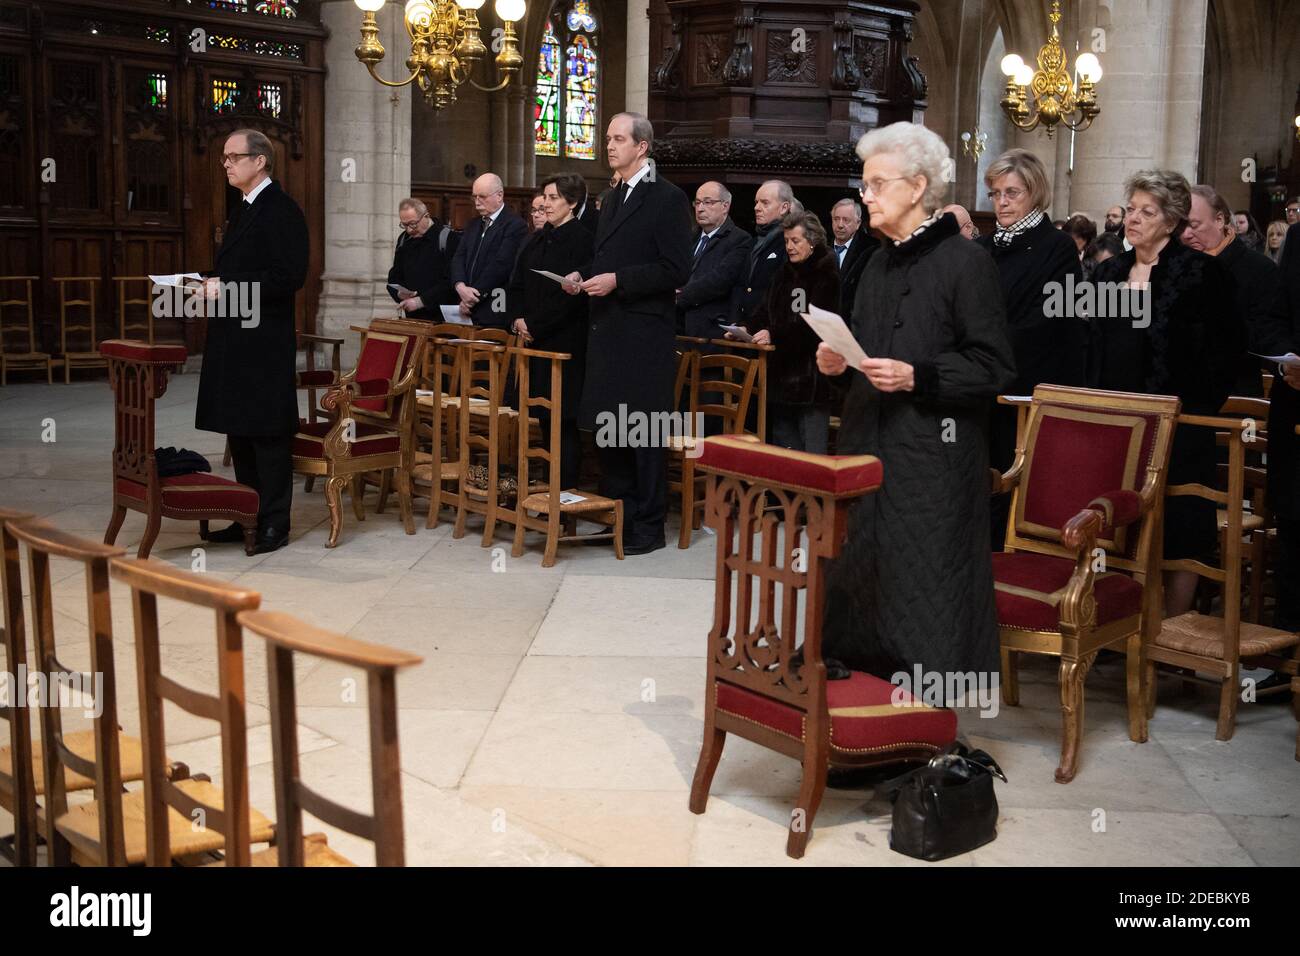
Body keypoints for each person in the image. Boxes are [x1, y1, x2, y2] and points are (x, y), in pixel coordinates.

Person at [816, 121, 1016, 683]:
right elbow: (868, 352)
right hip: (868, 449)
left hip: (933, 461)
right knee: (860, 575)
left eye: (877, 184)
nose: (866, 195)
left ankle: (925, 725)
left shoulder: (965, 263)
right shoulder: (877, 262)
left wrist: (917, 377)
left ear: (918, 186)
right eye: (866, 184)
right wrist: (838, 366)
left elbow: (993, 366)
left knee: (923, 585)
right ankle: (864, 722)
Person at [1090, 170, 1239, 616]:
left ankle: (1170, 630)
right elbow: (1091, 345)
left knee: (1179, 528)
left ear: (1172, 221)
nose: (1133, 219)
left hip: (1180, 427)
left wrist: (1187, 408)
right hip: (1118, 424)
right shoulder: (1109, 273)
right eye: (1131, 209)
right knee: (1118, 524)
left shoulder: (1202, 273)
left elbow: (1226, 352)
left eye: (1147, 212)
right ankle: (1119, 629)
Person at [563, 113, 692, 555]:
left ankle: (648, 526)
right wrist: (585, 275)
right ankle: (617, 515)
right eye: (607, 138)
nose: (609, 145)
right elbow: (608, 257)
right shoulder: (611, 197)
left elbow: (677, 269)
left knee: (642, 434)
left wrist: (619, 280)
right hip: (608, 331)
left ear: (642, 146)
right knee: (611, 432)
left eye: (618, 138)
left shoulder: (668, 198)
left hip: (642, 336)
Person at [196, 128, 308, 555]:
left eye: (232, 157)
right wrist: (203, 282)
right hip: (234, 339)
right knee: (240, 431)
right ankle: (248, 516)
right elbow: (240, 268)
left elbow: (287, 277)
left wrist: (225, 288)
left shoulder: (281, 210)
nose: (225, 163)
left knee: (267, 435)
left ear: (259, 161)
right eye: (224, 158)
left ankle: (273, 524)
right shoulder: (242, 209)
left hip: (262, 342)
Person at [978, 148, 1085, 548]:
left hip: (1023, 386)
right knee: (980, 483)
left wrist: (986, 347)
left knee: (1011, 488)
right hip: (982, 386)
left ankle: (1007, 574)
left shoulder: (1055, 248)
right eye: (996, 193)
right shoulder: (984, 247)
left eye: (1012, 193)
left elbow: (1051, 319)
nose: (1002, 202)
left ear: (1034, 194)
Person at [506, 174, 594, 491]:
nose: (546, 202)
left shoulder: (583, 240)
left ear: (572, 202)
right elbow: (516, 283)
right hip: (534, 341)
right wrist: (518, 318)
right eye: (545, 196)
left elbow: (571, 299)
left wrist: (535, 324)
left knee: (563, 421)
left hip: (564, 343)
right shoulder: (538, 238)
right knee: (543, 419)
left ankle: (564, 493)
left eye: (554, 197)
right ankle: (544, 491)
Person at [751, 210, 839, 453]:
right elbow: (764, 309)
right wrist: (745, 328)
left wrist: (774, 334)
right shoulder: (784, 271)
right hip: (781, 377)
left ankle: (812, 493)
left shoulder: (825, 272)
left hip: (810, 379)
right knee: (785, 454)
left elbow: (815, 325)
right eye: (786, 241)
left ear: (812, 241)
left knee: (812, 457)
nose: (789, 247)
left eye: (795, 241)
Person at [1182, 184, 1277, 397]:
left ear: (1220, 220)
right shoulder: (1174, 265)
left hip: (1233, 394)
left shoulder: (1260, 269)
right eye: (1180, 226)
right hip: (1175, 392)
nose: (1186, 234)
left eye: (1194, 225)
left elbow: (1267, 338)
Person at [1257, 221, 1300, 692]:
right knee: (1293, 529)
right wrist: (1288, 358)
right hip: (1294, 402)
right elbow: (1273, 317)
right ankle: (1287, 663)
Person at [450, 172, 528, 329]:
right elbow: (459, 256)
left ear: (499, 195)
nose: (477, 202)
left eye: (482, 197)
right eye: (474, 197)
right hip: (466, 303)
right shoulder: (473, 224)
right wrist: (460, 286)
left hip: (494, 305)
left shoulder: (514, 225)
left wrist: (472, 296)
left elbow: (502, 264)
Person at [677, 181, 750, 340]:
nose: (700, 208)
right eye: (697, 203)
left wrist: (679, 296)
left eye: (708, 202)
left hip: (712, 330)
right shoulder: (690, 238)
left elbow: (719, 280)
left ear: (725, 206)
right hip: (679, 326)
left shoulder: (739, 239)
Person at [732, 180, 794, 334]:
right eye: (756, 202)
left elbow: (794, 296)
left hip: (772, 337)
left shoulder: (790, 244)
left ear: (784, 207)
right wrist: (739, 323)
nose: (757, 208)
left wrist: (772, 331)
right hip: (745, 331)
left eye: (765, 203)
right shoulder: (752, 242)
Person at [387, 198, 459, 319]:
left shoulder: (448, 238)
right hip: (412, 316)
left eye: (413, 224)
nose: (409, 230)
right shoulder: (404, 239)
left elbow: (452, 281)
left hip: (441, 318)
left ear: (426, 216)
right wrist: (399, 294)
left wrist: (421, 301)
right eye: (404, 225)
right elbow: (394, 277)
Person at [831, 198, 877, 319]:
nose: (840, 225)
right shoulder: (820, 247)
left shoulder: (870, 250)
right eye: (836, 219)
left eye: (846, 220)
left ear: (858, 224)